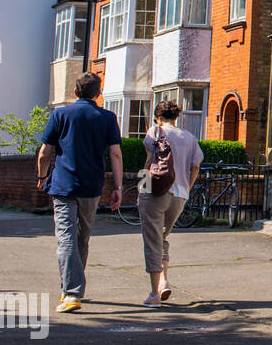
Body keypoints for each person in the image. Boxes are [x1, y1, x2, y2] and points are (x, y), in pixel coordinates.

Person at [36, 72, 123, 313]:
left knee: (66, 238)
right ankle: (74, 288)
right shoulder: (107, 117)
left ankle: (71, 292)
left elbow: (45, 151)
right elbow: (115, 154)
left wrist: (42, 176)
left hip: (63, 185)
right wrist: (117, 187)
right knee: (82, 238)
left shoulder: (60, 114)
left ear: (75, 92)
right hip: (92, 187)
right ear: (98, 93)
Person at [138, 100, 203, 307]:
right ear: (176, 117)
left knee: (152, 240)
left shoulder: (154, 132)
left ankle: (153, 294)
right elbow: (195, 167)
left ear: (158, 117)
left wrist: (142, 187)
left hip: (156, 191)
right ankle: (164, 282)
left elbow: (149, 161)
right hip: (180, 194)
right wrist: (187, 188)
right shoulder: (189, 137)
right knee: (163, 237)